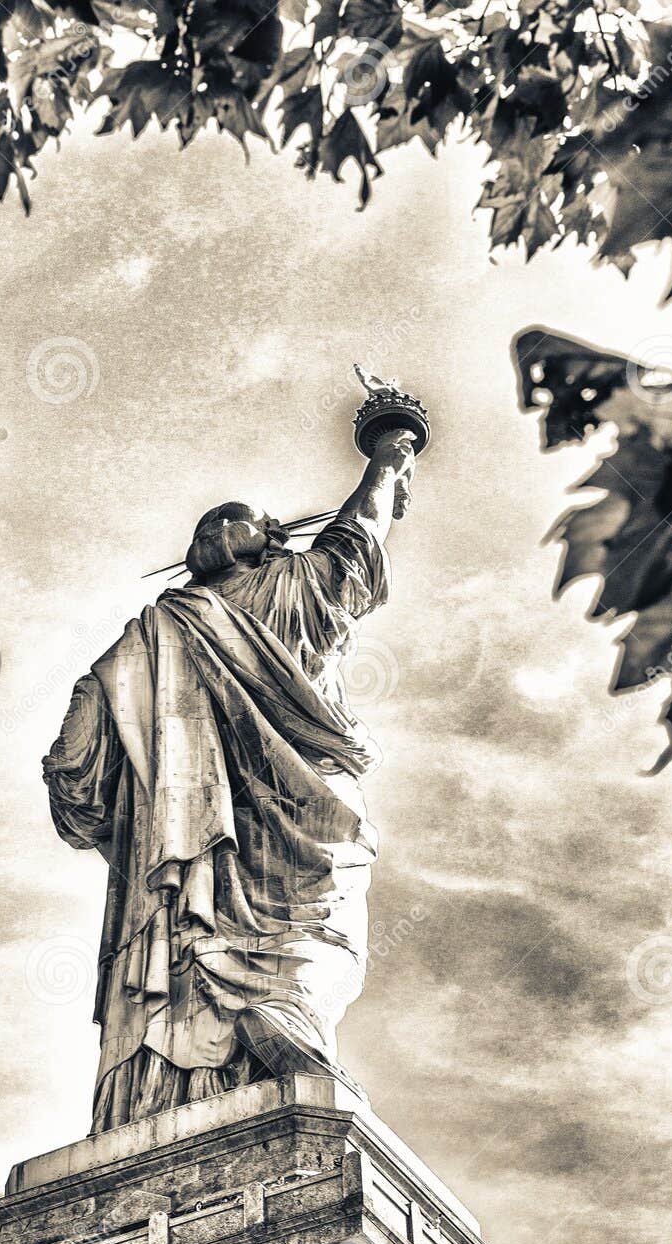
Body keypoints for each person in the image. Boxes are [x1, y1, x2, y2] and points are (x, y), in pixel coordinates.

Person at [43, 425, 416, 1133]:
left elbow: (73, 770)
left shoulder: (185, 625)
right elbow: (355, 545)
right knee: (307, 934)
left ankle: (220, 1057)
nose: (233, 525)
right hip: (284, 811)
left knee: (264, 937)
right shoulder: (189, 617)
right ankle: (269, 1031)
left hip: (239, 826)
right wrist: (389, 461)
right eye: (225, 520)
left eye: (245, 518)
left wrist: (386, 466)